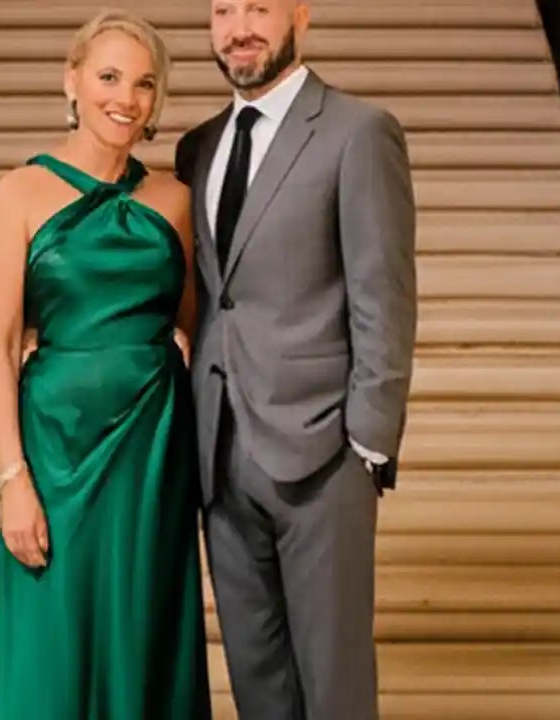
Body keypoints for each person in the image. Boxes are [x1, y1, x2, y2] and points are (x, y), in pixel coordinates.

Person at [174, 0, 418, 718]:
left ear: (300, 15)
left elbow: (384, 293)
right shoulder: (199, 147)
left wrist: (367, 444)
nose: (239, 27)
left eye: (259, 7)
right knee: (258, 684)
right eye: (223, 9)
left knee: (334, 686)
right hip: (219, 454)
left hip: (323, 455)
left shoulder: (357, 133)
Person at [0, 9, 212, 719]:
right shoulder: (18, 192)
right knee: (56, 641)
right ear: (72, 81)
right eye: (109, 76)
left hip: (152, 452)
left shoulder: (174, 202)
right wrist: (13, 477)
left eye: (144, 84)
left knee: (147, 629)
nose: (126, 98)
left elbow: (196, 326)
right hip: (56, 449)